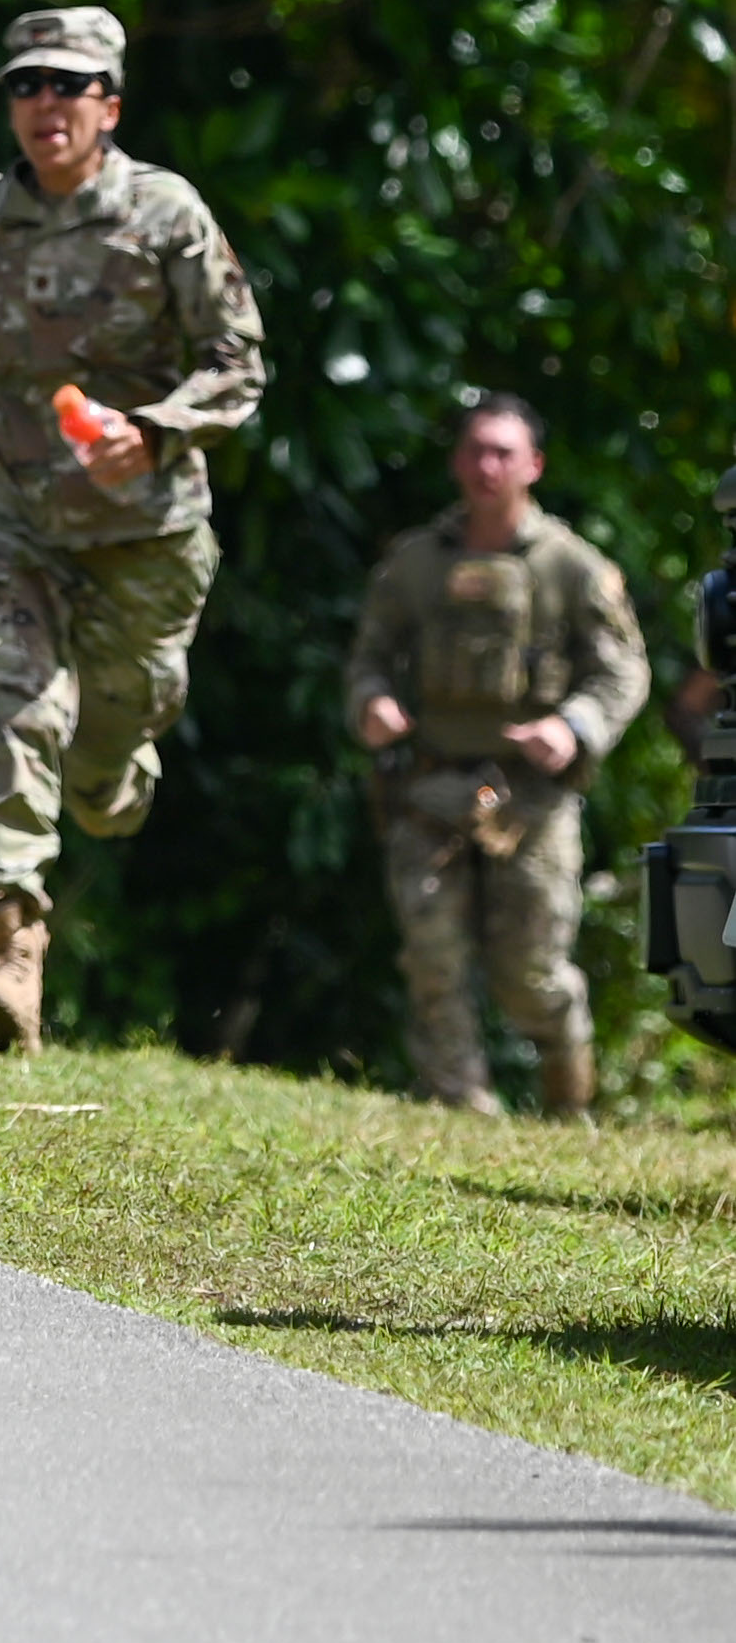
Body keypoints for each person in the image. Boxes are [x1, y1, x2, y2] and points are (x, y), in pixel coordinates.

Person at [0, 6, 264, 1053]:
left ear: (109, 106)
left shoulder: (167, 216)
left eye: (68, 86)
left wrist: (154, 432)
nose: (45, 105)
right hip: (6, 515)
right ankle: (6, 954)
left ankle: (113, 764)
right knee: (15, 695)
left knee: (104, 755)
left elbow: (238, 360)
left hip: (141, 537)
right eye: (26, 86)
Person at [346, 393, 646, 1116]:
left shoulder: (570, 566)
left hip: (527, 799)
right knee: (431, 957)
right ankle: (459, 1105)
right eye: (475, 449)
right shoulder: (414, 562)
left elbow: (624, 669)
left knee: (529, 973)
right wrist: (371, 703)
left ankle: (567, 1100)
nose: (486, 466)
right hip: (430, 789)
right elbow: (368, 657)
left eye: (503, 452)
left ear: (532, 465)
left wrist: (573, 726)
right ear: (456, 460)